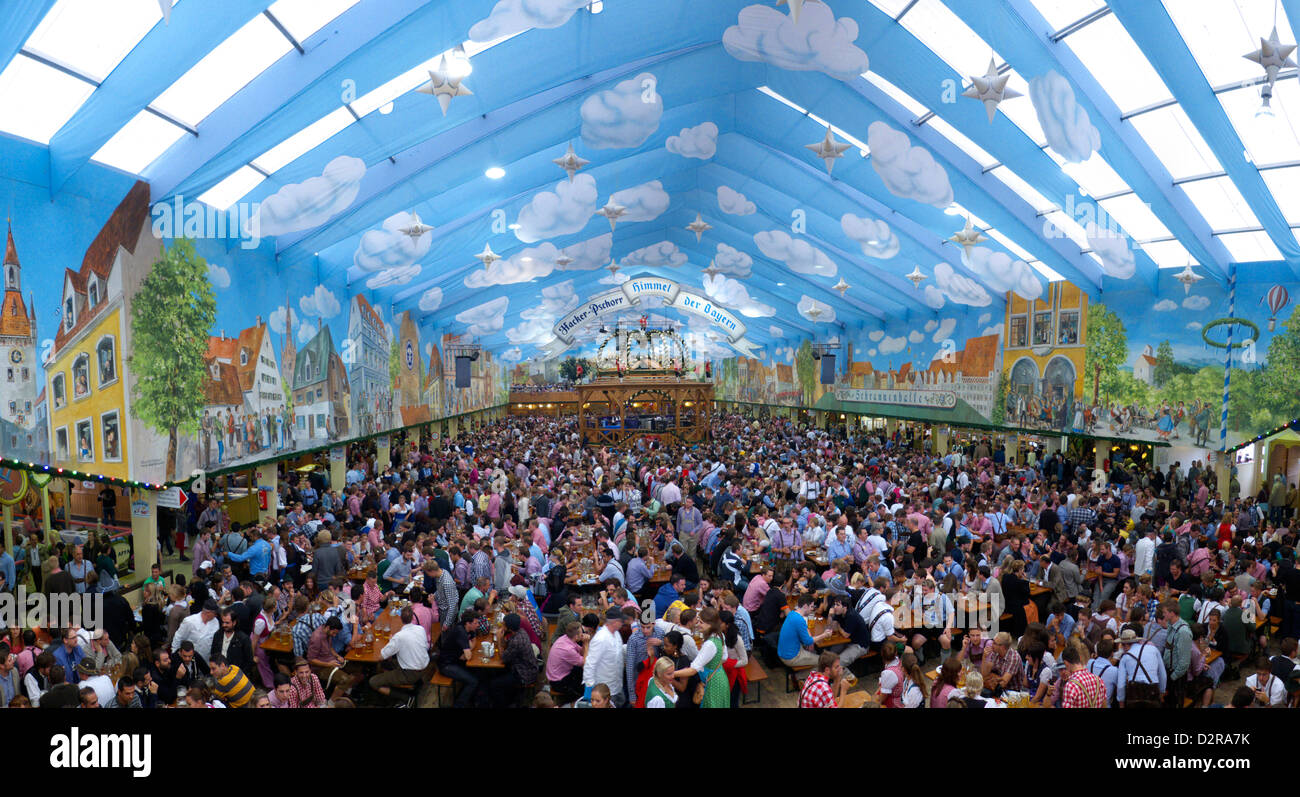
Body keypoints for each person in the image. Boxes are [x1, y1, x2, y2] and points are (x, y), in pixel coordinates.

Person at [371, 607, 430, 697]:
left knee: (373, 682)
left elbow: (381, 656)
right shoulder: (420, 629)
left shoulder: (399, 637)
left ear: (400, 619)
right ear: (412, 617)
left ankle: (406, 698)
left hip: (409, 673)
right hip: (424, 668)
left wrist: (392, 641)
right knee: (386, 664)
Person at [582, 608, 626, 707]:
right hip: (605, 688)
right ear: (614, 622)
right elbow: (590, 664)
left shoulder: (617, 634)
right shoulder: (600, 639)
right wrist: (591, 689)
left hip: (617, 686)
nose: (622, 623)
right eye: (620, 621)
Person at [777, 594, 833, 668]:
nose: (812, 609)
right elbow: (808, 641)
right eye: (812, 606)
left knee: (813, 652)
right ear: (805, 606)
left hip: (783, 652)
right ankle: (798, 677)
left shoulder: (792, 613)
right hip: (791, 657)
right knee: (823, 662)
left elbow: (805, 632)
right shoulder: (799, 620)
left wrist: (809, 640)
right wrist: (824, 635)